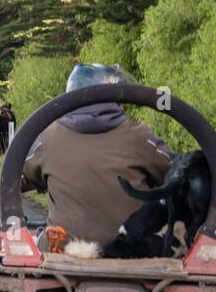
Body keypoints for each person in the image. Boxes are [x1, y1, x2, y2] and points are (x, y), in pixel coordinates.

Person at [21, 63, 172, 248]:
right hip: (131, 250)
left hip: (63, 250)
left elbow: (15, 180)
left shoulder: (47, 139)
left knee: (39, 240)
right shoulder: (139, 137)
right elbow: (177, 172)